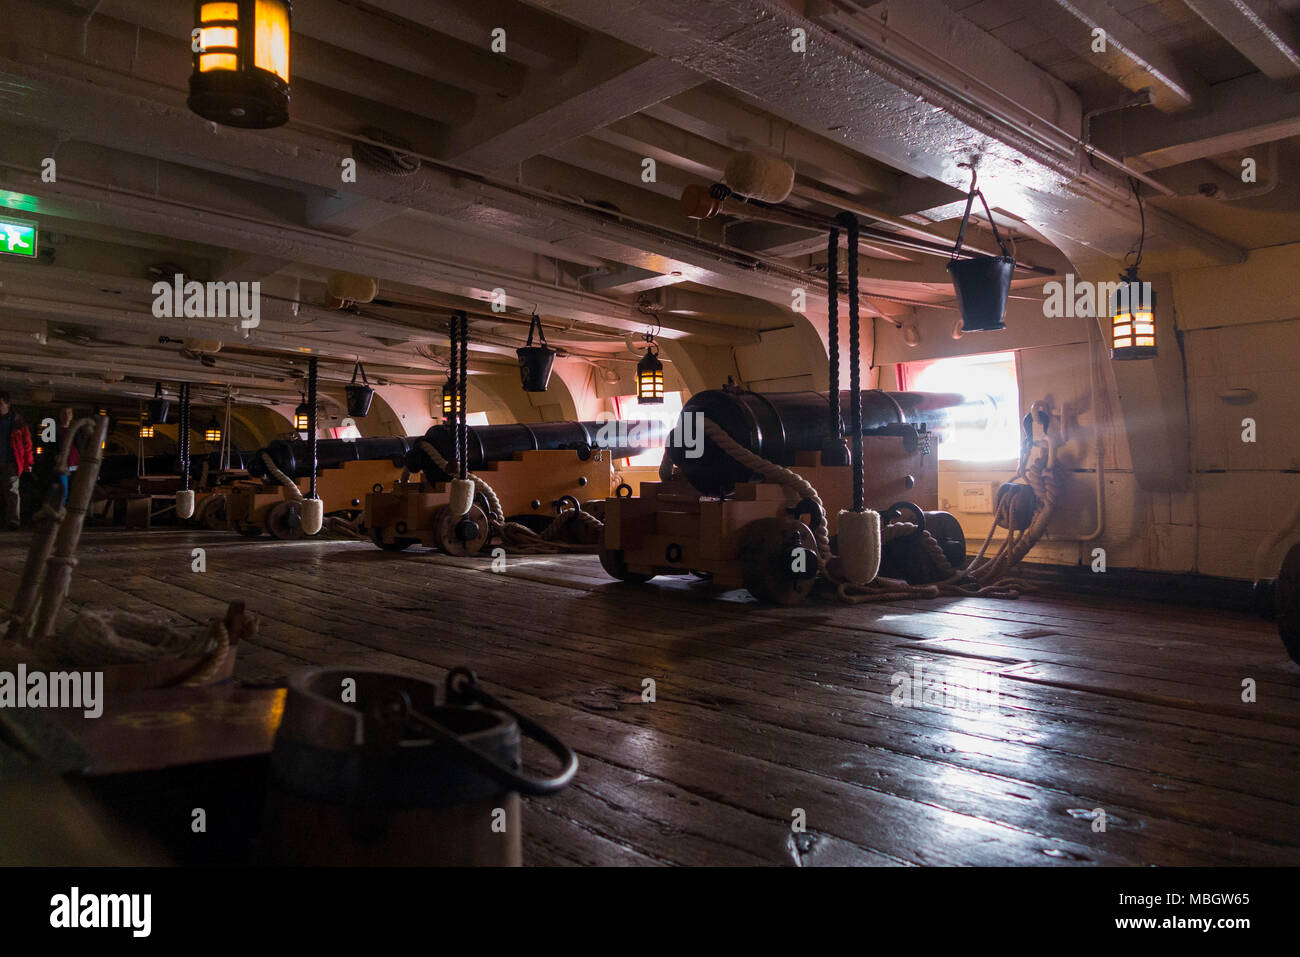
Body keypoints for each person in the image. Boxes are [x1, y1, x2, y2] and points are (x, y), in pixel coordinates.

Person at [0, 391, 35, 529]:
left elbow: (27, 444)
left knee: (11, 490)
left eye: (1, 404)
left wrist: (28, 462)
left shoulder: (18, 423)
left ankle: (13, 520)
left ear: (8, 405)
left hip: (11, 461)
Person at [56, 407, 82, 506]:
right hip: (63, 466)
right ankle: (61, 514)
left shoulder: (77, 430)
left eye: (69, 413)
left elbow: (81, 445)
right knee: (63, 493)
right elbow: (49, 447)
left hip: (76, 465)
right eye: (64, 413)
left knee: (75, 493)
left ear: (72, 415)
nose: (67, 416)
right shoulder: (54, 430)